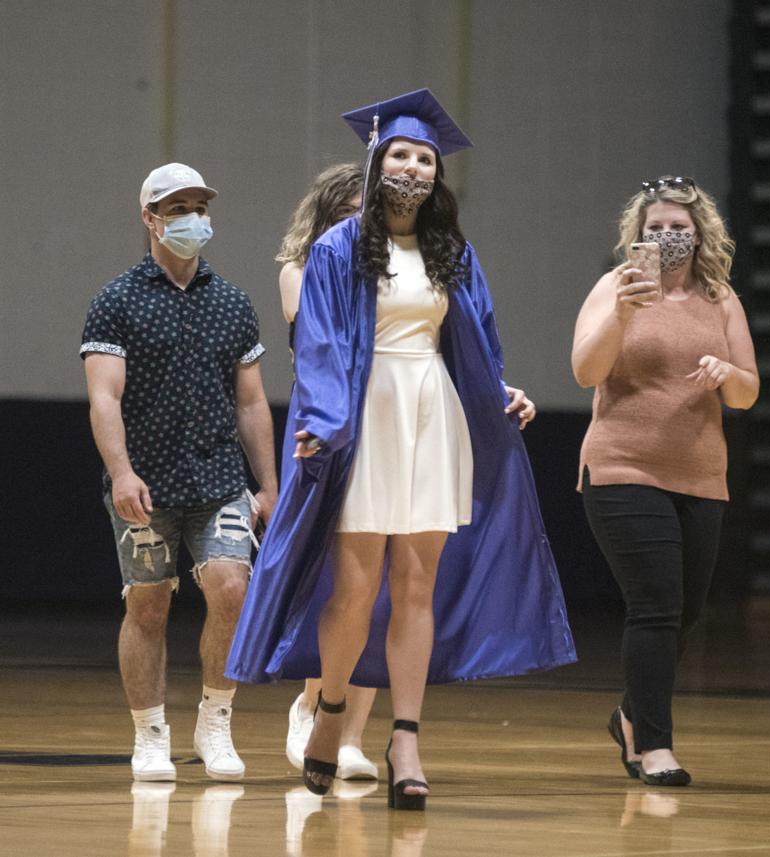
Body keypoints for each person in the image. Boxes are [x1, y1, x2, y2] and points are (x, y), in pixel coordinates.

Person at [225, 89, 576, 809]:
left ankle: (406, 736)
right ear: (378, 162)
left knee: (417, 584)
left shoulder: (454, 252)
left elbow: (472, 339)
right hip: (363, 413)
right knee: (355, 588)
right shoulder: (335, 249)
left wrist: (502, 390)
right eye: (401, 155)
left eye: (425, 158)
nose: (413, 166)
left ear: (436, 175)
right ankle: (327, 715)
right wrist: (324, 420)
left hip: (431, 412)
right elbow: (318, 343)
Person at [80, 163, 278, 782]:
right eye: (177, 207)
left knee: (232, 589)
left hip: (218, 475)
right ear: (150, 218)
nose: (193, 216)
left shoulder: (232, 302)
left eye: (199, 205)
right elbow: (105, 398)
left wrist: (269, 484)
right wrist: (120, 473)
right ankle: (149, 733)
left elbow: (250, 402)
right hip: (145, 484)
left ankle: (216, 720)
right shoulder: (117, 301)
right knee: (148, 606)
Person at [572, 176, 759, 786]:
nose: (667, 236)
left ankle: (630, 713)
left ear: (700, 233)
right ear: (638, 235)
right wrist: (623, 314)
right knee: (654, 607)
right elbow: (584, 371)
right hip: (624, 466)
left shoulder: (721, 298)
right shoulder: (614, 288)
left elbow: (747, 393)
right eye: (656, 228)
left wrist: (726, 368)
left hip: (702, 473)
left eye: (679, 227)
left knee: (686, 613)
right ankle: (654, 745)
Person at [276, 163, 378, 782]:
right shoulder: (301, 270)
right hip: (323, 425)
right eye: (346, 213)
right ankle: (309, 707)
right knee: (333, 578)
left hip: (389, 424)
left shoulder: (399, 271)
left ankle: (354, 736)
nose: (357, 225)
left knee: (379, 587)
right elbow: (320, 333)